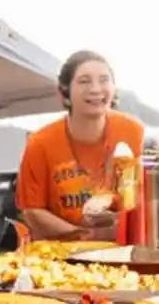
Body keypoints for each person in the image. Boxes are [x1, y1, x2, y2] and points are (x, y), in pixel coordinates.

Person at [14, 50, 145, 241]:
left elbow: (139, 197)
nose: (96, 89)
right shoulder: (40, 143)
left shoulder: (132, 132)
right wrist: (84, 236)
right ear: (64, 92)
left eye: (104, 80)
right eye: (84, 81)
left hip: (120, 249)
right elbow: (32, 211)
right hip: (61, 255)